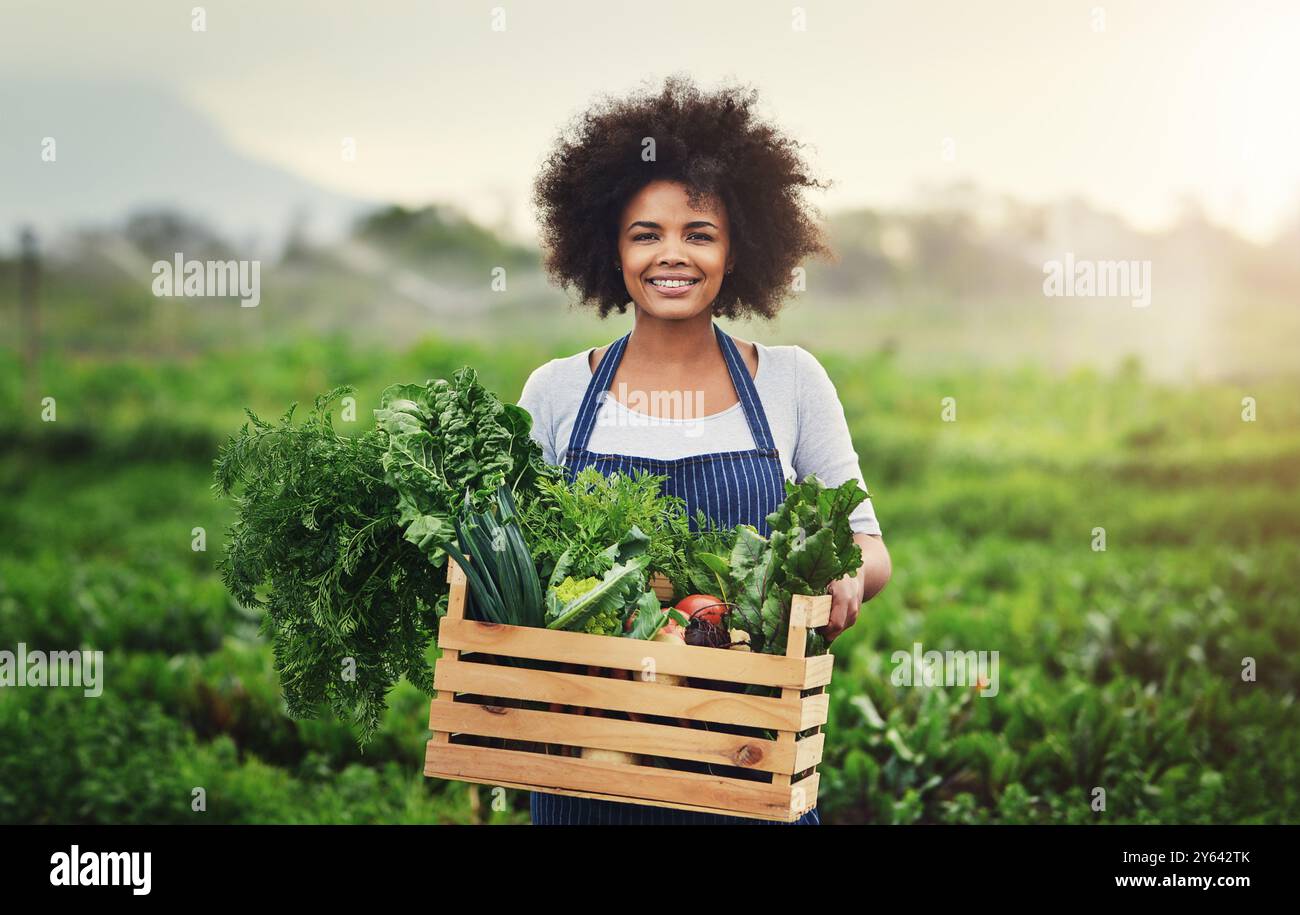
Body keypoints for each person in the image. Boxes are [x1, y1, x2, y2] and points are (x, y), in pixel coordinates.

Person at [517, 74, 892, 825]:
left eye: (699, 232)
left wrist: (848, 576)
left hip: (747, 763)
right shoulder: (556, 392)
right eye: (645, 233)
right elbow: (505, 559)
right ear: (609, 248)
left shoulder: (790, 380)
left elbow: (870, 546)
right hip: (591, 766)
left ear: (739, 247)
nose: (672, 255)